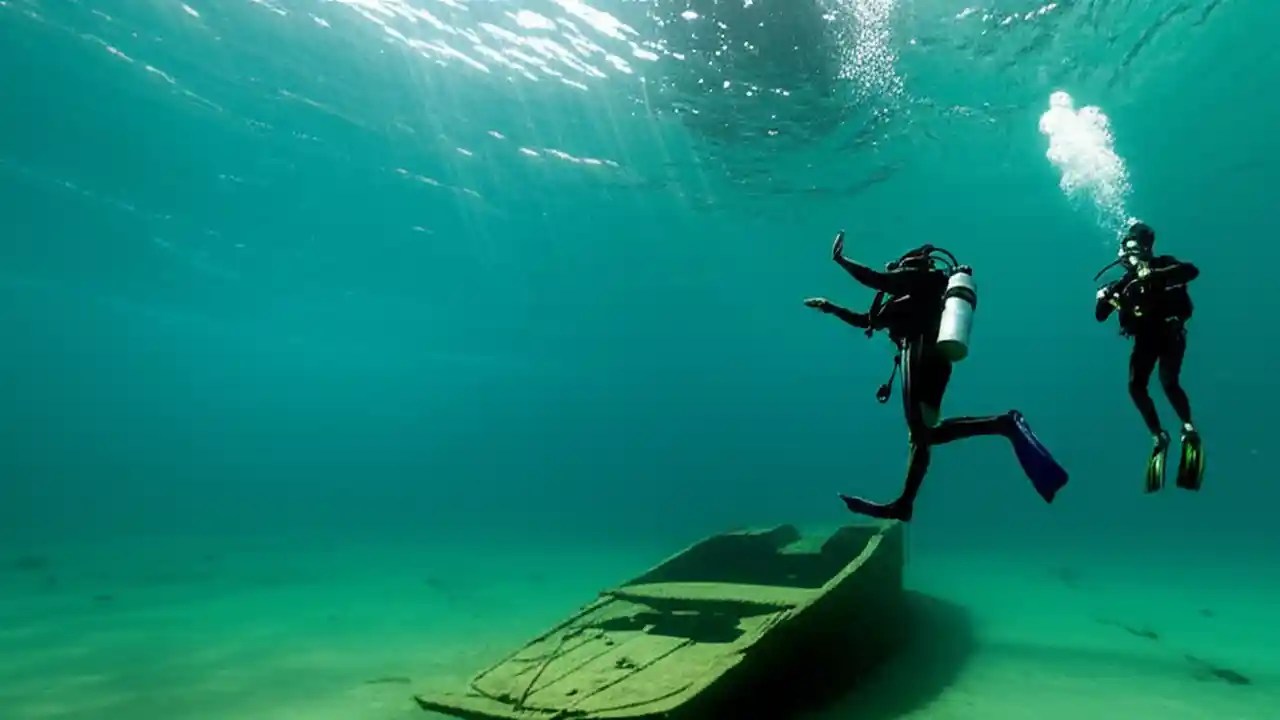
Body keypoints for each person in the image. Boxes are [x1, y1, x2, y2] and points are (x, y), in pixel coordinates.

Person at [803, 230, 1069, 521]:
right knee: (920, 436)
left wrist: (840, 260)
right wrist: (829, 307)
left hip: (923, 354)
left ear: (916, 262)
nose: (898, 269)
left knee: (922, 433)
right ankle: (905, 503)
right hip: (927, 358)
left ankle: (1002, 424)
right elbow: (866, 321)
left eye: (903, 264)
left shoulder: (925, 281)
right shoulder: (907, 297)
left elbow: (875, 279)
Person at [1094, 220, 1204, 492]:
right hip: (1145, 340)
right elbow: (1100, 316)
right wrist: (1104, 297)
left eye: (1133, 247)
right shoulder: (1123, 283)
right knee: (1136, 386)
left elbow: (1192, 271)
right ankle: (1158, 435)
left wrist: (1154, 275)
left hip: (1169, 333)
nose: (1127, 255)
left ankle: (1187, 427)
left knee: (1168, 382)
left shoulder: (1163, 264)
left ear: (1145, 248)